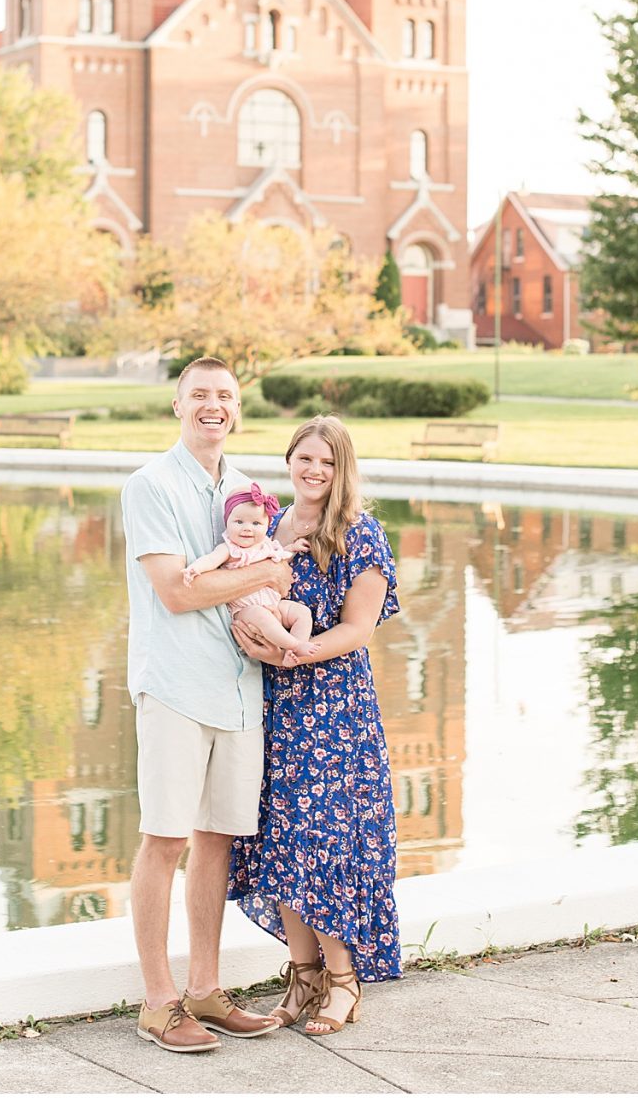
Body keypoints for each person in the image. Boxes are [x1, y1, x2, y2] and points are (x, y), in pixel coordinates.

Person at [121, 356, 287, 1054]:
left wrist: (271, 580)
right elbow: (177, 593)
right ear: (177, 405)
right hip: (174, 686)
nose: (212, 406)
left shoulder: (248, 489)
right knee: (165, 839)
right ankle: (158, 1002)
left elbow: (273, 582)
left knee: (217, 838)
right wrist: (264, 572)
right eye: (199, 395)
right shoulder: (149, 485)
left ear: (236, 408)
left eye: (224, 395)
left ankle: (205, 991)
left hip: (237, 689)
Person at [228, 414, 401, 1035]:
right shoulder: (265, 527)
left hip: (334, 708)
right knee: (279, 839)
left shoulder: (362, 533)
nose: (315, 470)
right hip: (272, 705)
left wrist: (294, 651)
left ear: (341, 469)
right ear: (289, 459)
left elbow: (357, 630)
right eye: (305, 458)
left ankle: (344, 979)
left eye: (327, 462)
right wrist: (258, 644)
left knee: (324, 840)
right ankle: (302, 975)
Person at [184, 482, 316, 666]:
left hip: (273, 603)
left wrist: (292, 548)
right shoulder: (229, 549)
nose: (247, 528)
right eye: (239, 522)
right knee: (262, 617)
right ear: (227, 521)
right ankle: (294, 645)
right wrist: (195, 569)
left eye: (256, 523)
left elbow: (279, 557)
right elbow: (211, 560)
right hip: (245, 610)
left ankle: (293, 650)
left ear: (267, 524)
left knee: (301, 612)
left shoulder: (267, 545)